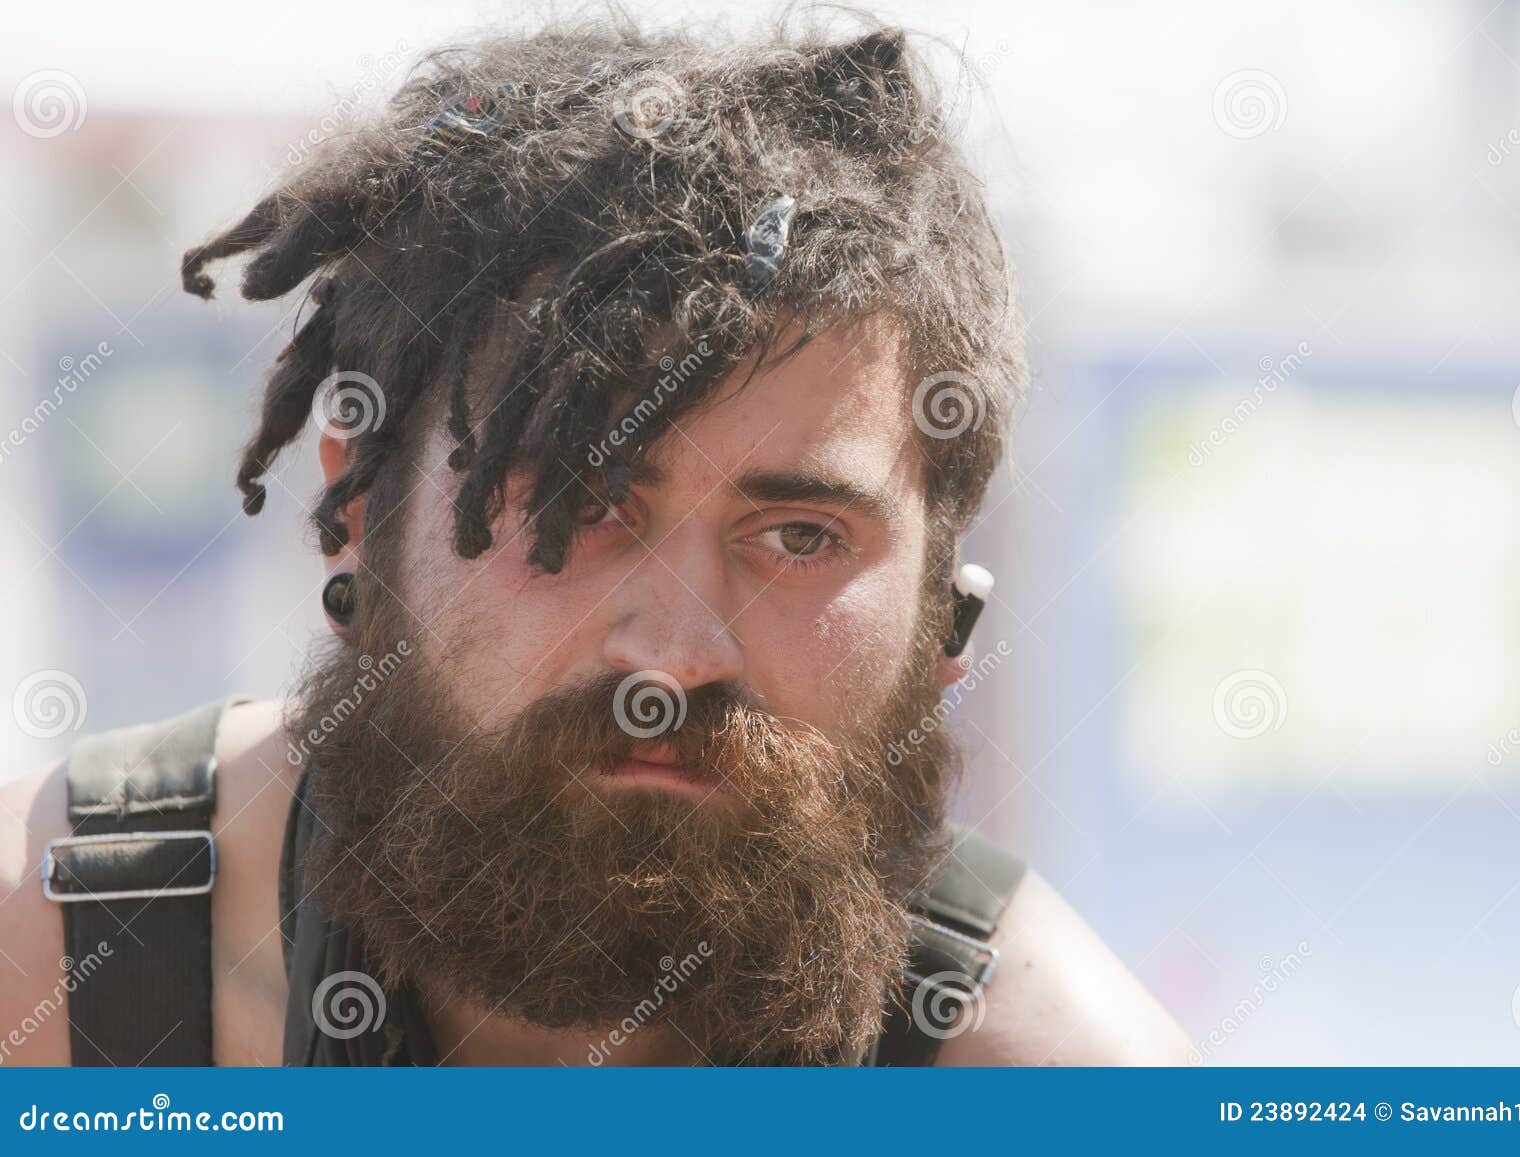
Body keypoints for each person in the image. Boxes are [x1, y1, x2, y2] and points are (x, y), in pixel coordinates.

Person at [0, 15, 1187, 1067]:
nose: (673, 657)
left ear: (944, 621)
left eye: (801, 535)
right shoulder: (48, 974)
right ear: (357, 520)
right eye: (578, 501)